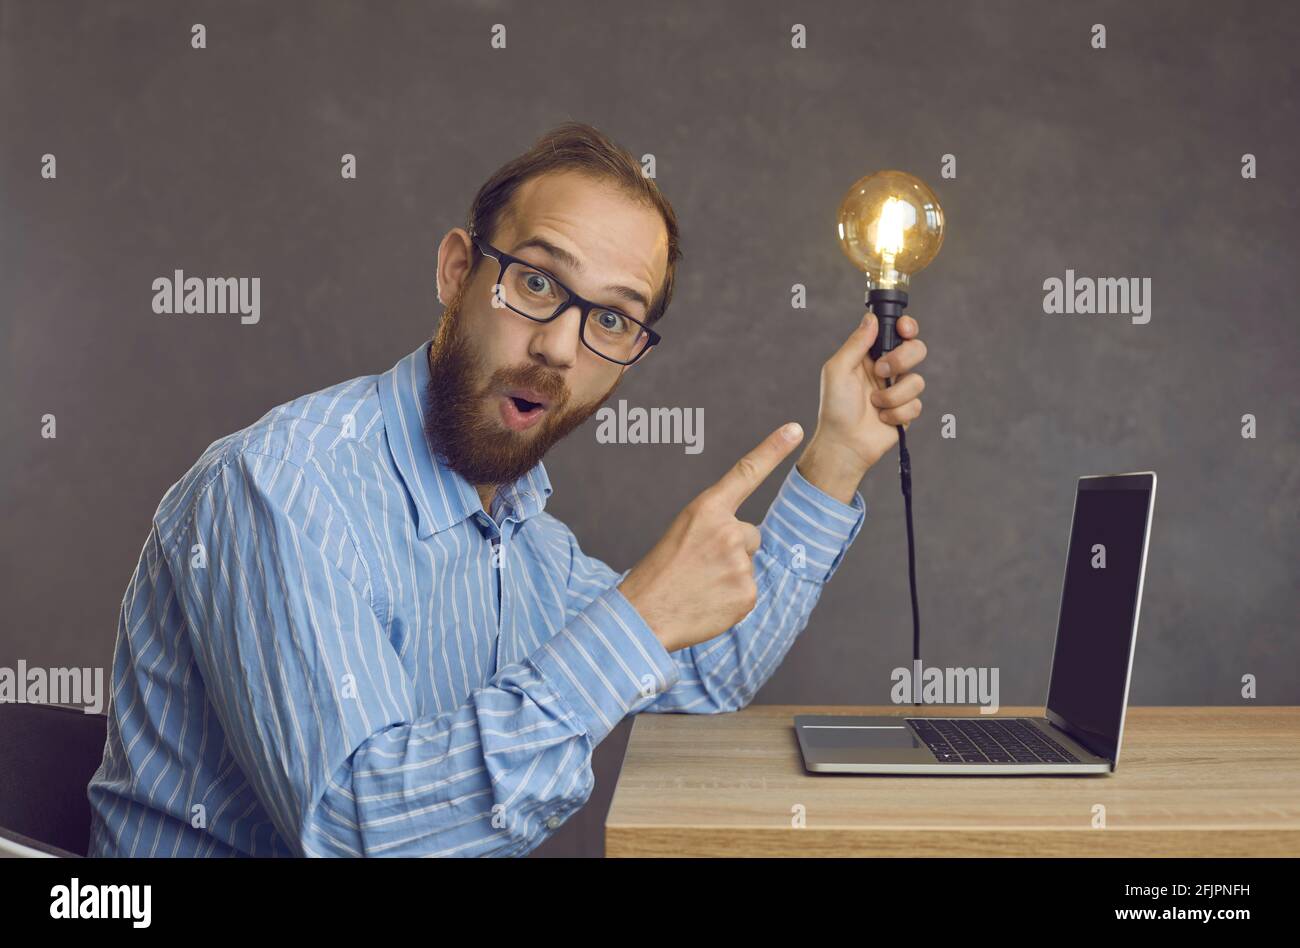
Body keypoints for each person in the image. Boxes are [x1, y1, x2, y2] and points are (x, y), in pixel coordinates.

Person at [87, 122, 927, 857]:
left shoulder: (524, 538)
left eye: (610, 319)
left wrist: (837, 458)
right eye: (535, 282)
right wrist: (633, 619)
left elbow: (706, 672)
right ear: (457, 272)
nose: (560, 349)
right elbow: (356, 831)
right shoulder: (281, 489)